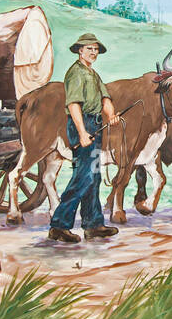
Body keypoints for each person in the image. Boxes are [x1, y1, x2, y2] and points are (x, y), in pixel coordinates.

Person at [48, 34, 120, 243]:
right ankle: (59, 226)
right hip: (83, 125)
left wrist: (112, 115)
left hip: (95, 125)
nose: (93, 53)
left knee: (94, 175)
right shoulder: (76, 73)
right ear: (80, 50)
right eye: (89, 49)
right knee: (83, 176)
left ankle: (93, 224)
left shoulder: (93, 74)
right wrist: (81, 132)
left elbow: (105, 98)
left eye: (96, 49)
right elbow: (73, 105)